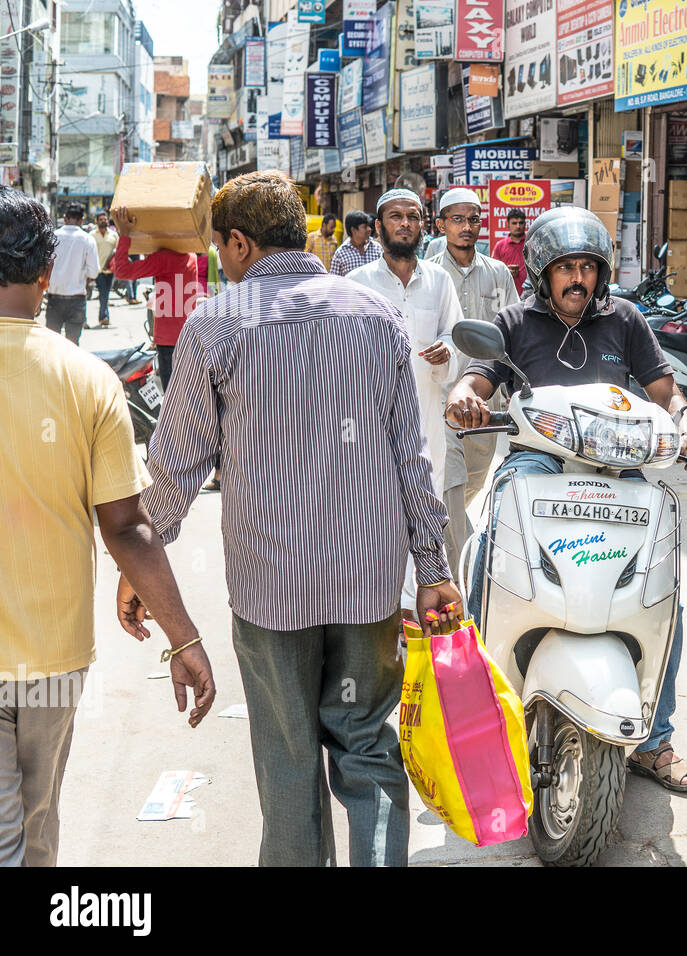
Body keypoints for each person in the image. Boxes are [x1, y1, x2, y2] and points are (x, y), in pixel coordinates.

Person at [122, 171, 461, 867]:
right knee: (367, 747)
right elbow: (412, 457)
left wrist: (139, 563)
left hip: (271, 589)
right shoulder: (375, 316)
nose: (221, 259)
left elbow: (176, 467)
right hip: (369, 584)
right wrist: (433, 570)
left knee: (287, 760)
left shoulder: (216, 324)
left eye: (221, 247)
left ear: (240, 243)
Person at [445, 206, 687, 791]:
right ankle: (478, 708)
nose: (578, 279)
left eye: (588, 267)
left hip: (619, 470)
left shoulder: (626, 319)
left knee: (662, 587)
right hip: (536, 462)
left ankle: (656, 739)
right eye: (566, 267)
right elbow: (478, 377)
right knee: (491, 557)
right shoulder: (514, 319)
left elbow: (669, 393)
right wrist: (464, 394)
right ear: (543, 270)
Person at [0, 187, 215, 866]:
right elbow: (126, 529)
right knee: (34, 825)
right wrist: (184, 637)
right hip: (54, 655)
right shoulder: (90, 381)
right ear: (45, 276)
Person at [348, 188, 465, 606]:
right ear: (379, 227)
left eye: (412, 216)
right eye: (395, 216)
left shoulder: (438, 281)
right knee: (375, 509)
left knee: (425, 503)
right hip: (368, 419)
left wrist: (447, 349)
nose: (404, 224)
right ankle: (382, 609)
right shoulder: (356, 284)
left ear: (422, 224)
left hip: (426, 415)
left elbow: (456, 332)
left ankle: (424, 606)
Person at [424, 187, 519, 581]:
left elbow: (514, 330)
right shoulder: (426, 270)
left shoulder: (498, 272)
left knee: (470, 483)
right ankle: (463, 580)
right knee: (450, 481)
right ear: (442, 224)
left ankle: (430, 543)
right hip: (437, 398)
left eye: (474, 219)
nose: (467, 227)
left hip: (484, 404)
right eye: (458, 219)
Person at [109, 206, 201, 388]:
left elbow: (121, 271)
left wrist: (125, 235)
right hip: (189, 337)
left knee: (172, 400)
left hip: (169, 342)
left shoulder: (165, 258)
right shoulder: (191, 256)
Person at [46, 203, 99, 343]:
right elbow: (94, 272)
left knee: (52, 344)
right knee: (73, 345)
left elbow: (43, 266)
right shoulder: (88, 239)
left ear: (65, 218)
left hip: (54, 299)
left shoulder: (53, 237)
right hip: (76, 299)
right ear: (81, 220)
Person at [329, 209, 382, 276]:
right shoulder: (340, 254)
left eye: (368, 226)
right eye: (365, 227)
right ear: (353, 230)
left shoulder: (377, 248)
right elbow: (334, 282)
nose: (369, 229)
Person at [91, 210, 118, 328]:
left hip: (110, 270)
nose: (103, 221)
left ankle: (103, 316)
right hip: (98, 270)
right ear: (96, 221)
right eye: (101, 219)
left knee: (105, 293)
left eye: (105, 219)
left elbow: (118, 251)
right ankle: (104, 317)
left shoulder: (114, 235)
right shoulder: (91, 235)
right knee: (103, 293)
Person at [491, 207, 528, 295]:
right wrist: (506, 271)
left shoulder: (531, 243)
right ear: (508, 224)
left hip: (530, 295)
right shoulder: (500, 245)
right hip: (507, 293)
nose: (518, 226)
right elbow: (493, 272)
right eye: (514, 223)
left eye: (521, 223)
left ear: (525, 224)